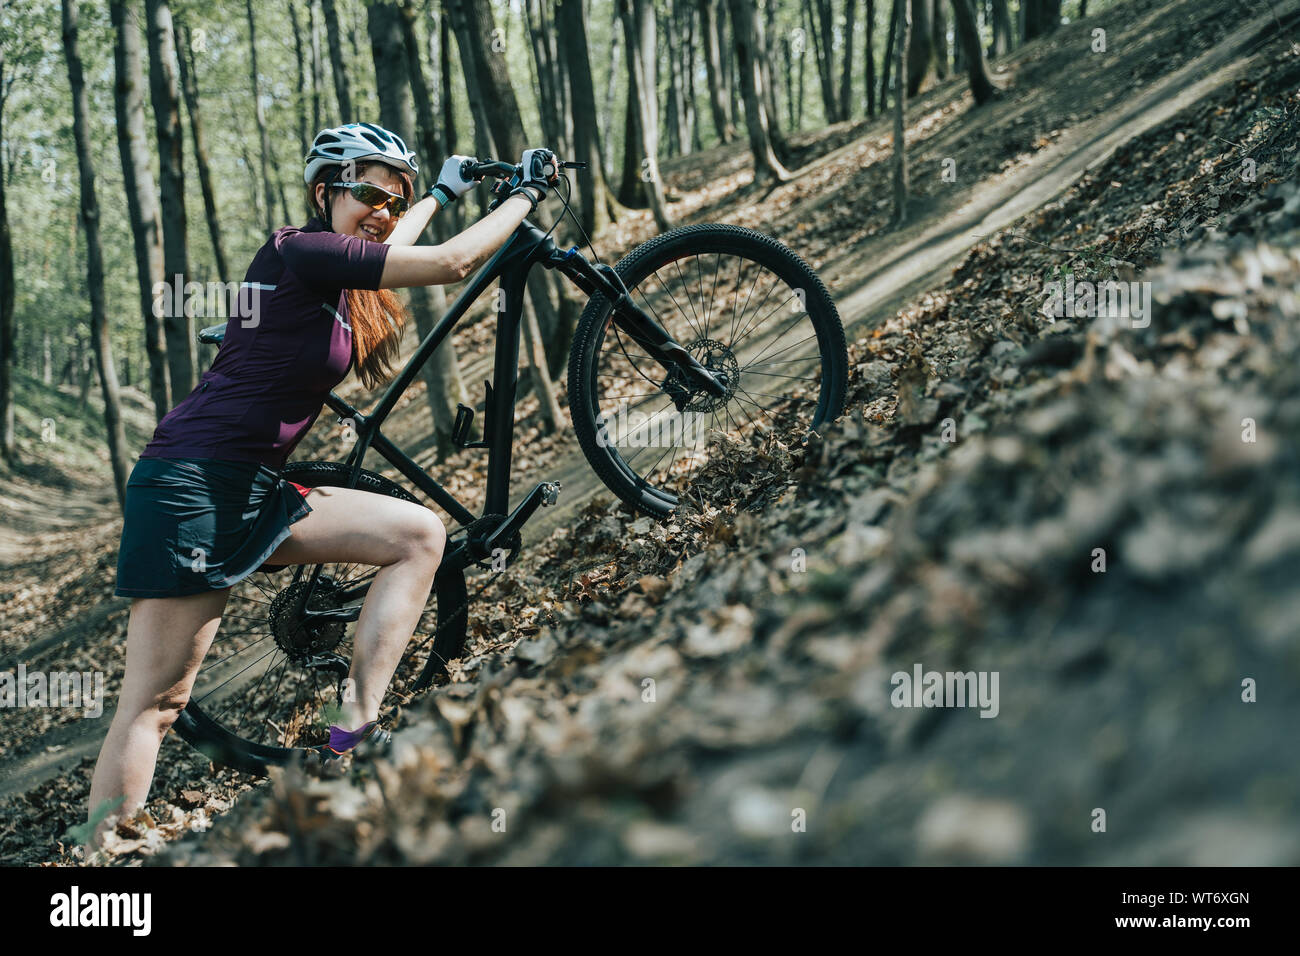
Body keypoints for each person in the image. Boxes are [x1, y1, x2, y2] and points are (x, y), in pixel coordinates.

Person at [82, 121, 558, 863]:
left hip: (251, 485)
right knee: (156, 704)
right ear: (322, 191)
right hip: (192, 485)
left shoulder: (336, 267)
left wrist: (435, 192)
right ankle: (98, 865)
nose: (382, 207)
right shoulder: (296, 251)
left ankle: (353, 733)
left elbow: (391, 239)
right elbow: (449, 262)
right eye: (366, 189)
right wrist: (526, 191)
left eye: (391, 198)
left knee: (417, 536)